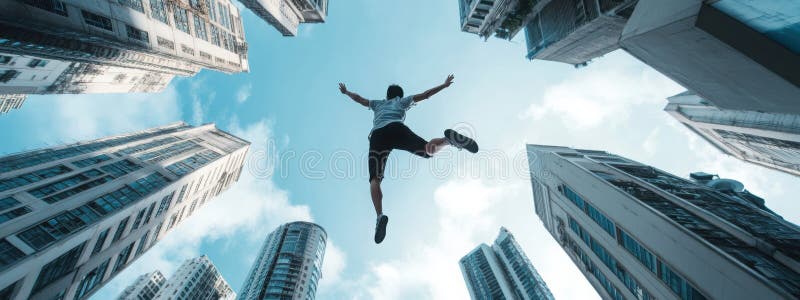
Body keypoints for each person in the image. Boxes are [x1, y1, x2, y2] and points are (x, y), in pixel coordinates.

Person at [338, 75, 479, 244]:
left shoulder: (378, 104)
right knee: (428, 150)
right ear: (398, 95)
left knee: (374, 179)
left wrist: (346, 92)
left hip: (378, 136)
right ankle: (448, 140)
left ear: (387, 95)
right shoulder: (402, 101)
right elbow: (426, 94)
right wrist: (444, 85)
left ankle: (380, 216)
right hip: (397, 128)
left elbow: (359, 99)